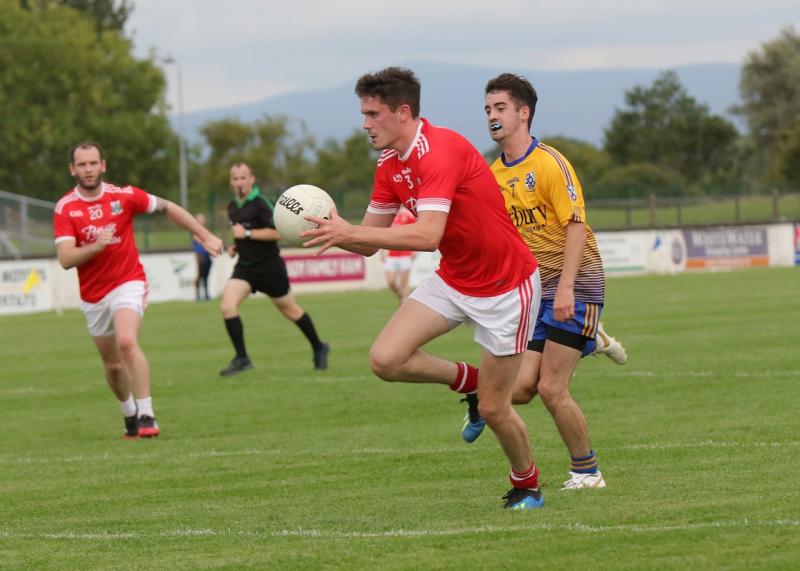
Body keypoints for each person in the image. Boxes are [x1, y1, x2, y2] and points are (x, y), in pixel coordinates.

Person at [302, 67, 545, 510]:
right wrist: (335, 229)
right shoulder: (389, 165)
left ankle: (527, 483)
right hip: (456, 277)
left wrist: (350, 232)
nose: (365, 124)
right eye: (363, 114)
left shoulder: (441, 151)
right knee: (385, 359)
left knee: (495, 410)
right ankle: (469, 381)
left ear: (403, 112)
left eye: (373, 114)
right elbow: (370, 243)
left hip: (507, 286)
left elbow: (427, 235)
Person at [460, 73, 628, 490]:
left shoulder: (550, 162)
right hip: (534, 289)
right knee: (516, 391)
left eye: (500, 108)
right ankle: (594, 339)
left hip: (577, 282)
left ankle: (587, 473)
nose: (492, 117)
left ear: (523, 113)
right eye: (487, 110)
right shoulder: (493, 175)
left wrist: (567, 288)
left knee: (553, 388)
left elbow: (575, 225)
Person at [53, 141, 223, 439]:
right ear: (72, 169)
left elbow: (169, 207)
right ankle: (130, 414)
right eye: (82, 164)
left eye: (93, 163)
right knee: (113, 365)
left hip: (127, 282)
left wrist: (205, 234)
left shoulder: (125, 196)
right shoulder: (66, 208)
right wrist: (97, 245)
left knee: (127, 342)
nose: (88, 169)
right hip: (93, 295)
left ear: (103, 165)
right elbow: (66, 259)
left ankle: (147, 414)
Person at [218, 162, 329, 376]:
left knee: (291, 311)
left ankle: (318, 346)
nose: (239, 182)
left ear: (252, 179)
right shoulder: (232, 206)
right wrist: (235, 246)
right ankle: (242, 358)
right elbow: (240, 234)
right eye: (235, 178)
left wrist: (247, 235)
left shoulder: (262, 204)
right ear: (231, 182)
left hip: (269, 268)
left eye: (243, 178)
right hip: (245, 268)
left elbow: (278, 233)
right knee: (227, 307)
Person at [381, 206, 416, 302]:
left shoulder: (408, 214)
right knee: (391, 281)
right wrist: (382, 251)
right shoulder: (390, 214)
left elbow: (415, 232)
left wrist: (414, 250)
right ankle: (402, 297)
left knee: (404, 282)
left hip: (405, 253)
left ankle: (405, 304)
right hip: (392, 254)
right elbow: (385, 234)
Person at [192, 213, 213, 301]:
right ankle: (197, 295)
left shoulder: (206, 231)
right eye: (200, 219)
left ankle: (206, 294)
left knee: (206, 276)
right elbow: (201, 241)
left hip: (207, 256)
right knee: (199, 275)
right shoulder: (195, 232)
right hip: (200, 256)